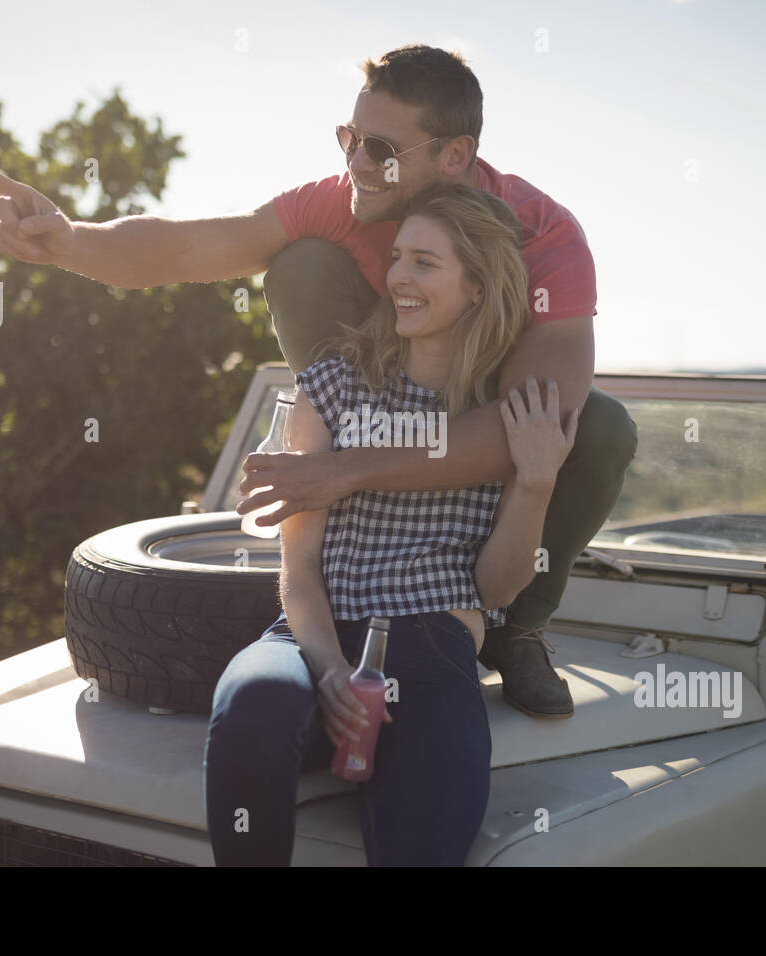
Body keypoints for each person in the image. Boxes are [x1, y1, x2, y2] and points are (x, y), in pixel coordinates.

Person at [0, 43, 638, 719]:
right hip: (372, 404)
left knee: (601, 428)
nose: (357, 164)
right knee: (299, 263)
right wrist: (72, 240)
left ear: (454, 157)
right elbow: (189, 245)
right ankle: (332, 563)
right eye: (350, 139)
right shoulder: (342, 202)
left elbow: (523, 432)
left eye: (380, 148)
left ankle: (516, 626)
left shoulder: (545, 237)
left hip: (468, 415)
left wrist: (342, 471)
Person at [203, 182, 576, 865]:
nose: (398, 276)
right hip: (312, 630)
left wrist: (536, 484)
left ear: (477, 285)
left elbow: (495, 590)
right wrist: (328, 671)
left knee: (429, 823)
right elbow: (300, 572)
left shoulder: (501, 413)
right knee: (252, 705)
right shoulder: (331, 387)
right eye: (398, 257)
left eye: (425, 263)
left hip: (432, 642)